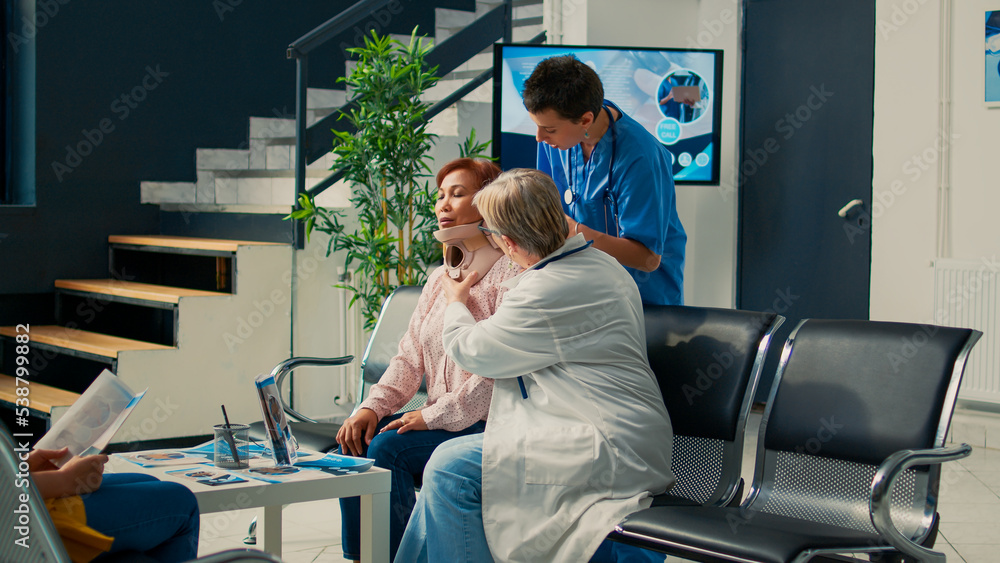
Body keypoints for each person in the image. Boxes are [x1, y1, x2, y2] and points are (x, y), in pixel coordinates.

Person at [395, 169, 674, 563]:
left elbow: (471, 349)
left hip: (602, 442)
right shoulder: (597, 262)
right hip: (611, 428)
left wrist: (456, 302)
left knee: (449, 467)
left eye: (490, 233)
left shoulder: (550, 288)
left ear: (507, 242)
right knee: (446, 470)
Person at [336, 157, 521, 562]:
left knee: (388, 449)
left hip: (487, 423)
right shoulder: (440, 278)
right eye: (440, 196)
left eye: (458, 194)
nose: (443, 205)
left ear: (489, 201)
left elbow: (499, 371)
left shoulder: (512, 272)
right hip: (441, 418)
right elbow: (408, 357)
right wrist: (371, 407)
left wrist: (432, 415)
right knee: (353, 446)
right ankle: (366, 557)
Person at [523, 54, 687, 305]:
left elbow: (647, 259)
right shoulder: (555, 139)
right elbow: (546, 205)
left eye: (549, 129)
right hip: (582, 287)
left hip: (640, 297)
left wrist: (575, 232)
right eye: (536, 125)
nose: (539, 137)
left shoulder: (641, 157)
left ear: (586, 120)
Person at [27, 446, 199, 562]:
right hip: (30, 517)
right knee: (181, 501)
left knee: (147, 481)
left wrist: (22, 467)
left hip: (28, 490)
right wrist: (64, 479)